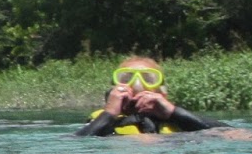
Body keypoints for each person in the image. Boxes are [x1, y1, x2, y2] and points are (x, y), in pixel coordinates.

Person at [74, 55, 223, 137]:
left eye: (149, 79)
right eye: (126, 79)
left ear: (162, 93)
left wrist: (173, 112)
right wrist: (109, 113)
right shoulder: (102, 122)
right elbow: (76, 144)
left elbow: (235, 135)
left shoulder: (182, 122)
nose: (137, 84)